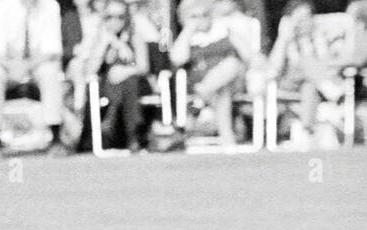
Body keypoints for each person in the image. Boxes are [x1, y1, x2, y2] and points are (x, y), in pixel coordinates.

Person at [169, 0, 258, 147]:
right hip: (205, 84)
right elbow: (177, 59)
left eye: (204, 15)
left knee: (231, 63)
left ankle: (201, 97)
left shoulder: (224, 29)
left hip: (230, 80)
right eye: (195, 16)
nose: (201, 19)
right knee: (222, 92)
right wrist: (189, 29)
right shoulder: (188, 37)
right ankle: (228, 139)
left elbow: (247, 56)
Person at [0, 0, 67, 152]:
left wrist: (27, 66)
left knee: (50, 72)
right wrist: (12, 66)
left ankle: (55, 135)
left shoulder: (50, 6)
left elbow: (52, 49)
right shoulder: (0, 8)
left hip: (37, 63)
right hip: (7, 63)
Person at [266, 0, 339, 149]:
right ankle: (335, 92)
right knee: (306, 62)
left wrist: (316, 41)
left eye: (307, 17)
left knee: (309, 86)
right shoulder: (286, 40)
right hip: (288, 83)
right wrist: (283, 38)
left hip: (313, 83)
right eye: (299, 18)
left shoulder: (319, 37)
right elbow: (273, 68)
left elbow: (328, 65)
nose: (304, 22)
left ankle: (306, 131)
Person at [80, 0, 149, 148]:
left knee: (128, 82)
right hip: (105, 87)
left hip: (133, 84)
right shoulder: (98, 39)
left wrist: (125, 71)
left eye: (120, 17)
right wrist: (108, 42)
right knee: (117, 81)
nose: (115, 21)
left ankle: (111, 121)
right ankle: (132, 134)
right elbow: (90, 71)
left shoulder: (135, 37)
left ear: (127, 18)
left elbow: (143, 67)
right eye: (109, 17)